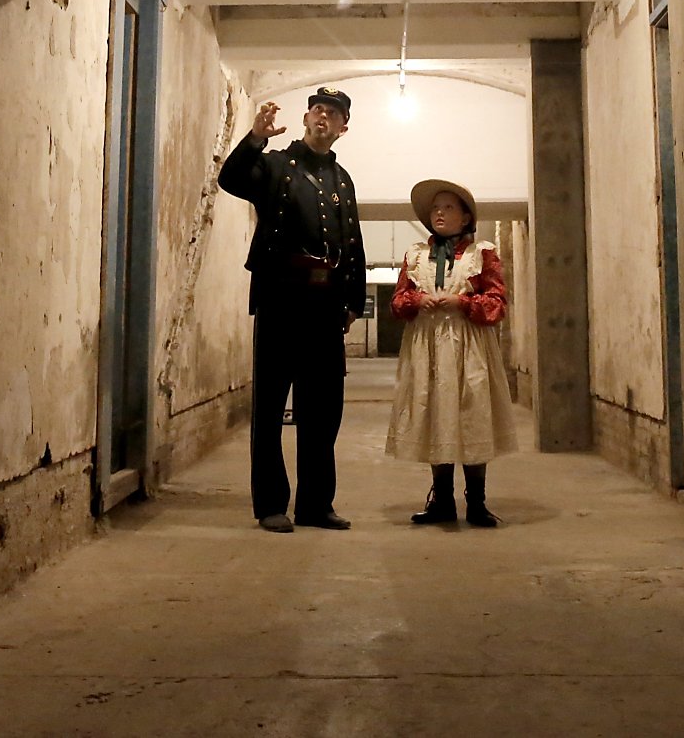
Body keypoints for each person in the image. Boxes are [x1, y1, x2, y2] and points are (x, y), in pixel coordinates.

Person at [217, 87, 367, 532]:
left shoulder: (343, 180)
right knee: (269, 409)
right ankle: (271, 505)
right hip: (281, 299)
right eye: (319, 109)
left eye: (334, 113)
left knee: (323, 412)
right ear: (306, 117)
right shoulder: (277, 164)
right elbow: (231, 180)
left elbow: (353, 243)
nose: (325, 117)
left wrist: (354, 300)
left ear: (343, 127)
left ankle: (316, 505)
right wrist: (255, 139)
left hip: (325, 308)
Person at [386, 178, 519, 526]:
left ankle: (476, 502)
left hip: (469, 346)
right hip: (427, 346)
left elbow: (496, 303)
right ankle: (441, 500)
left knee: (472, 414)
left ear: (465, 216)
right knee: (436, 415)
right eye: (435, 208)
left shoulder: (482, 254)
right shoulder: (416, 255)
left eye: (447, 207)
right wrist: (419, 299)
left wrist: (461, 302)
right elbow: (397, 302)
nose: (439, 213)